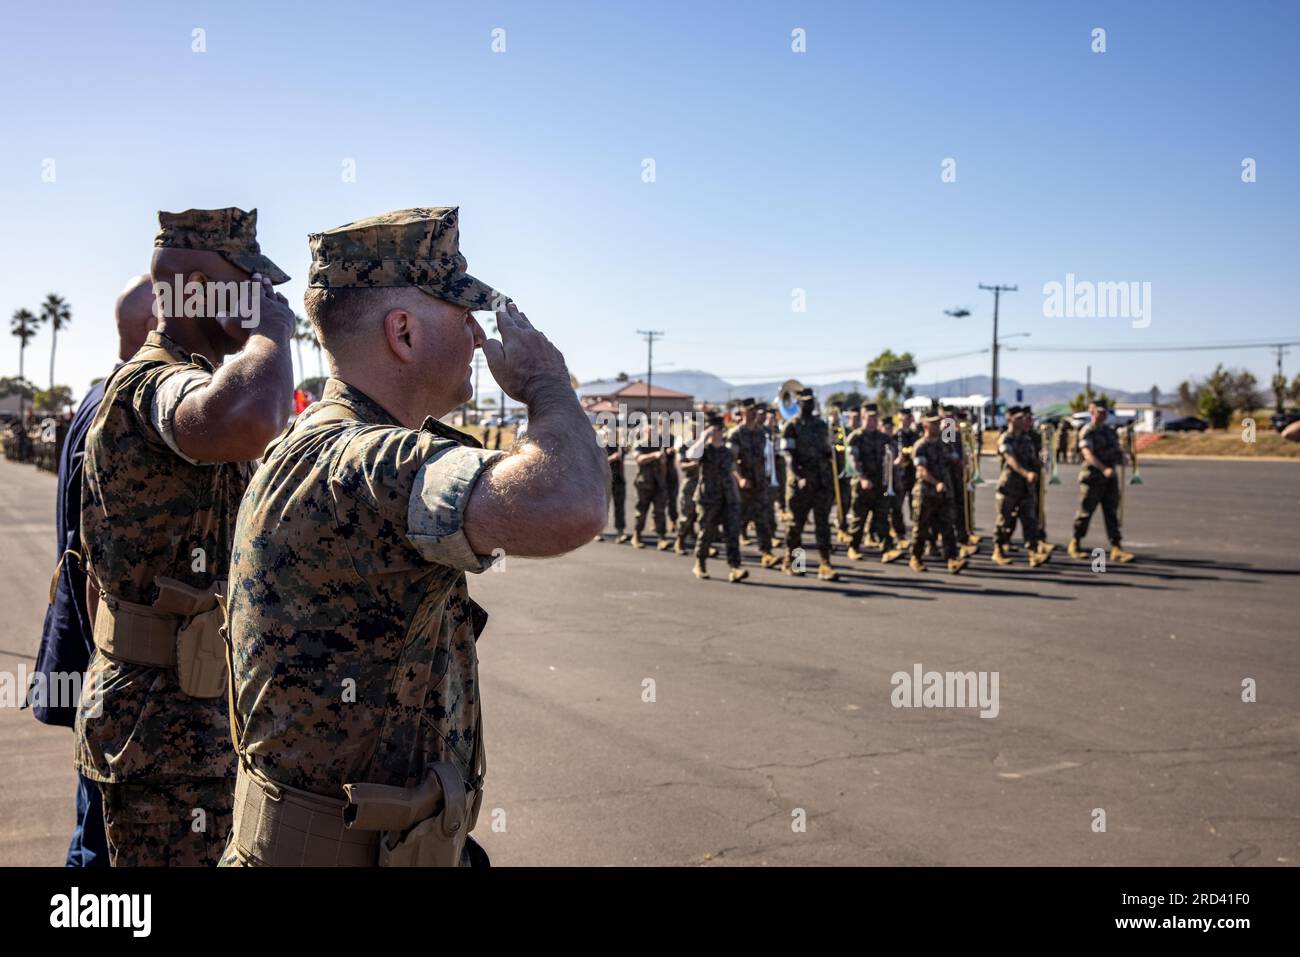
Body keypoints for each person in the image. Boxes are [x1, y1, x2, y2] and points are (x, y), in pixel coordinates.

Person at [221, 206, 606, 867]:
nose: (480, 336)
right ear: (403, 331)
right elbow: (570, 502)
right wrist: (546, 384)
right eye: (462, 314)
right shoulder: (366, 463)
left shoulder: (327, 446)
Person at [75, 208, 295, 866]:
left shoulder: (196, 379)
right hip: (164, 740)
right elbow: (250, 416)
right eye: (251, 282)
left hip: (192, 720)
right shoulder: (152, 383)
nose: (266, 299)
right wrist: (275, 334)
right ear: (197, 285)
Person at [29, 274, 156, 867]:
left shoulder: (98, 398)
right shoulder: (123, 411)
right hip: (117, 681)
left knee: (99, 830)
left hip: (101, 672)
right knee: (103, 845)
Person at [781, 388, 838, 581]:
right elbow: (788, 455)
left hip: (821, 482)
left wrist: (830, 452)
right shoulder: (792, 426)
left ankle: (825, 563)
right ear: (799, 404)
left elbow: (826, 448)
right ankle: (796, 562)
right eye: (805, 402)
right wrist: (799, 476)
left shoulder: (821, 425)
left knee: (823, 524)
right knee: (796, 526)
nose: (810, 404)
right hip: (801, 483)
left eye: (812, 401)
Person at [1069, 398, 1135, 562]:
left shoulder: (1109, 432)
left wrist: (1123, 458)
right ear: (1091, 412)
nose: (1102, 416)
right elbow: (1087, 454)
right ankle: (1075, 542)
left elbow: (1116, 450)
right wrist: (1102, 468)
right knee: (1085, 513)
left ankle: (1116, 547)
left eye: (1105, 413)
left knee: (1112, 513)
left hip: (1109, 479)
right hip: (1092, 478)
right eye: (1099, 412)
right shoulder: (1087, 431)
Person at [689, 414, 747, 582]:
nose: (718, 432)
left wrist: (736, 493)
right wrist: (703, 437)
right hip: (708, 497)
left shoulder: (727, 451)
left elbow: (732, 470)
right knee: (706, 532)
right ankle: (700, 563)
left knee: (732, 532)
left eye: (720, 429)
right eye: (715, 429)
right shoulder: (704, 450)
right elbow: (692, 455)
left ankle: (735, 567)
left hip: (728, 497)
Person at [909, 412, 967, 574]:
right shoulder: (920, 446)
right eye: (934, 424)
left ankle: (952, 559)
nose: (938, 426)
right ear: (926, 426)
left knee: (948, 527)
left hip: (944, 493)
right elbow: (921, 471)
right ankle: (916, 557)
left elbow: (954, 460)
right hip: (925, 493)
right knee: (921, 528)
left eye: (939, 423)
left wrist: (962, 463)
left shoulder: (944, 444)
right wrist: (936, 483)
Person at [991, 407, 1050, 567]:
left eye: (1024, 418)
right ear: (1010, 419)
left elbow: (1033, 459)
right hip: (1009, 485)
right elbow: (1011, 460)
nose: (1023, 420)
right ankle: (998, 550)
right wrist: (1026, 473)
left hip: (1025, 487)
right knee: (1004, 519)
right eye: (1019, 418)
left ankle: (1033, 552)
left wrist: (1043, 458)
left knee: (1029, 519)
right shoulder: (1006, 438)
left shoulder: (1026, 439)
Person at [846, 405, 904, 564]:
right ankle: (853, 547)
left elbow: (892, 455)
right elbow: (853, 461)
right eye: (869, 417)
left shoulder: (883, 438)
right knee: (859, 518)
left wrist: (897, 461)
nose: (872, 420)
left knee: (882, 518)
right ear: (863, 417)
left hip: (881, 484)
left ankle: (887, 549)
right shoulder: (855, 437)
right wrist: (862, 478)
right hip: (863, 484)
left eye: (875, 417)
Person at [726, 397, 777, 568]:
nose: (753, 413)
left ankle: (767, 553)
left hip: (760, 483)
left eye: (754, 410)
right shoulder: (736, 434)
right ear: (742, 412)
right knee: (738, 518)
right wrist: (740, 479)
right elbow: (731, 460)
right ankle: (734, 557)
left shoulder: (762, 432)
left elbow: (766, 457)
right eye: (749, 410)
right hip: (743, 485)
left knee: (763, 518)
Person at [632, 417, 672, 550]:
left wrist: (664, 476)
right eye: (649, 430)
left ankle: (662, 537)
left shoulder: (660, 442)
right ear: (645, 430)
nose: (652, 433)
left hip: (659, 483)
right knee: (641, 511)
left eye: (654, 430)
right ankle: (636, 535)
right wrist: (653, 456)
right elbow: (639, 458)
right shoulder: (640, 443)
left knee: (660, 511)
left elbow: (664, 462)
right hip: (644, 484)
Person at [599, 422, 630, 543]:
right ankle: (599, 532)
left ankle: (620, 532)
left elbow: (628, 448)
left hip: (619, 479)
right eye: (607, 432)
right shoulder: (600, 447)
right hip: (605, 480)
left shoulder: (619, 446)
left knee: (620, 507)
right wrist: (612, 458)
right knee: (603, 506)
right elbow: (597, 463)